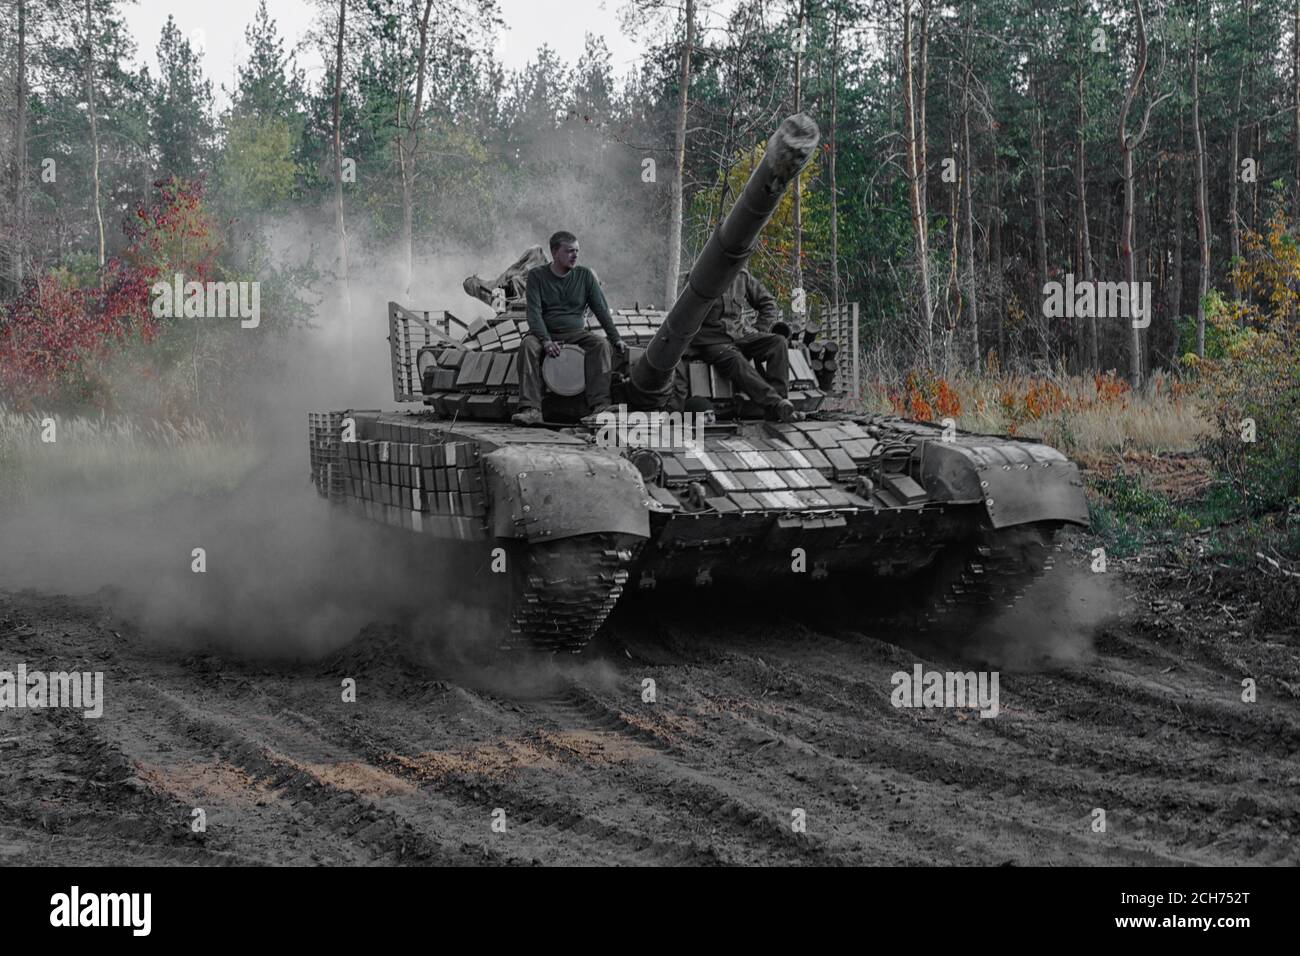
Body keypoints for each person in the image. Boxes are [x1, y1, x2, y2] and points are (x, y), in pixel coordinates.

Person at [511, 231, 627, 426]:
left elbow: (601, 310)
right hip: (544, 334)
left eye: (577, 251)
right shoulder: (537, 276)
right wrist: (546, 340)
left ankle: (600, 406)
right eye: (569, 251)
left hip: (576, 333)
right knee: (527, 346)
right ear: (555, 252)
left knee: (600, 344)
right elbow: (534, 313)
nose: (575, 255)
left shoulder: (585, 276)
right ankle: (531, 409)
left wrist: (616, 338)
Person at [681, 268, 800, 422]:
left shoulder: (741, 276)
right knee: (736, 361)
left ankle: (781, 409)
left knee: (778, 342)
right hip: (711, 340)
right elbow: (682, 313)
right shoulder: (697, 276)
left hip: (739, 335)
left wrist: (760, 329)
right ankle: (776, 404)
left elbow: (767, 303)